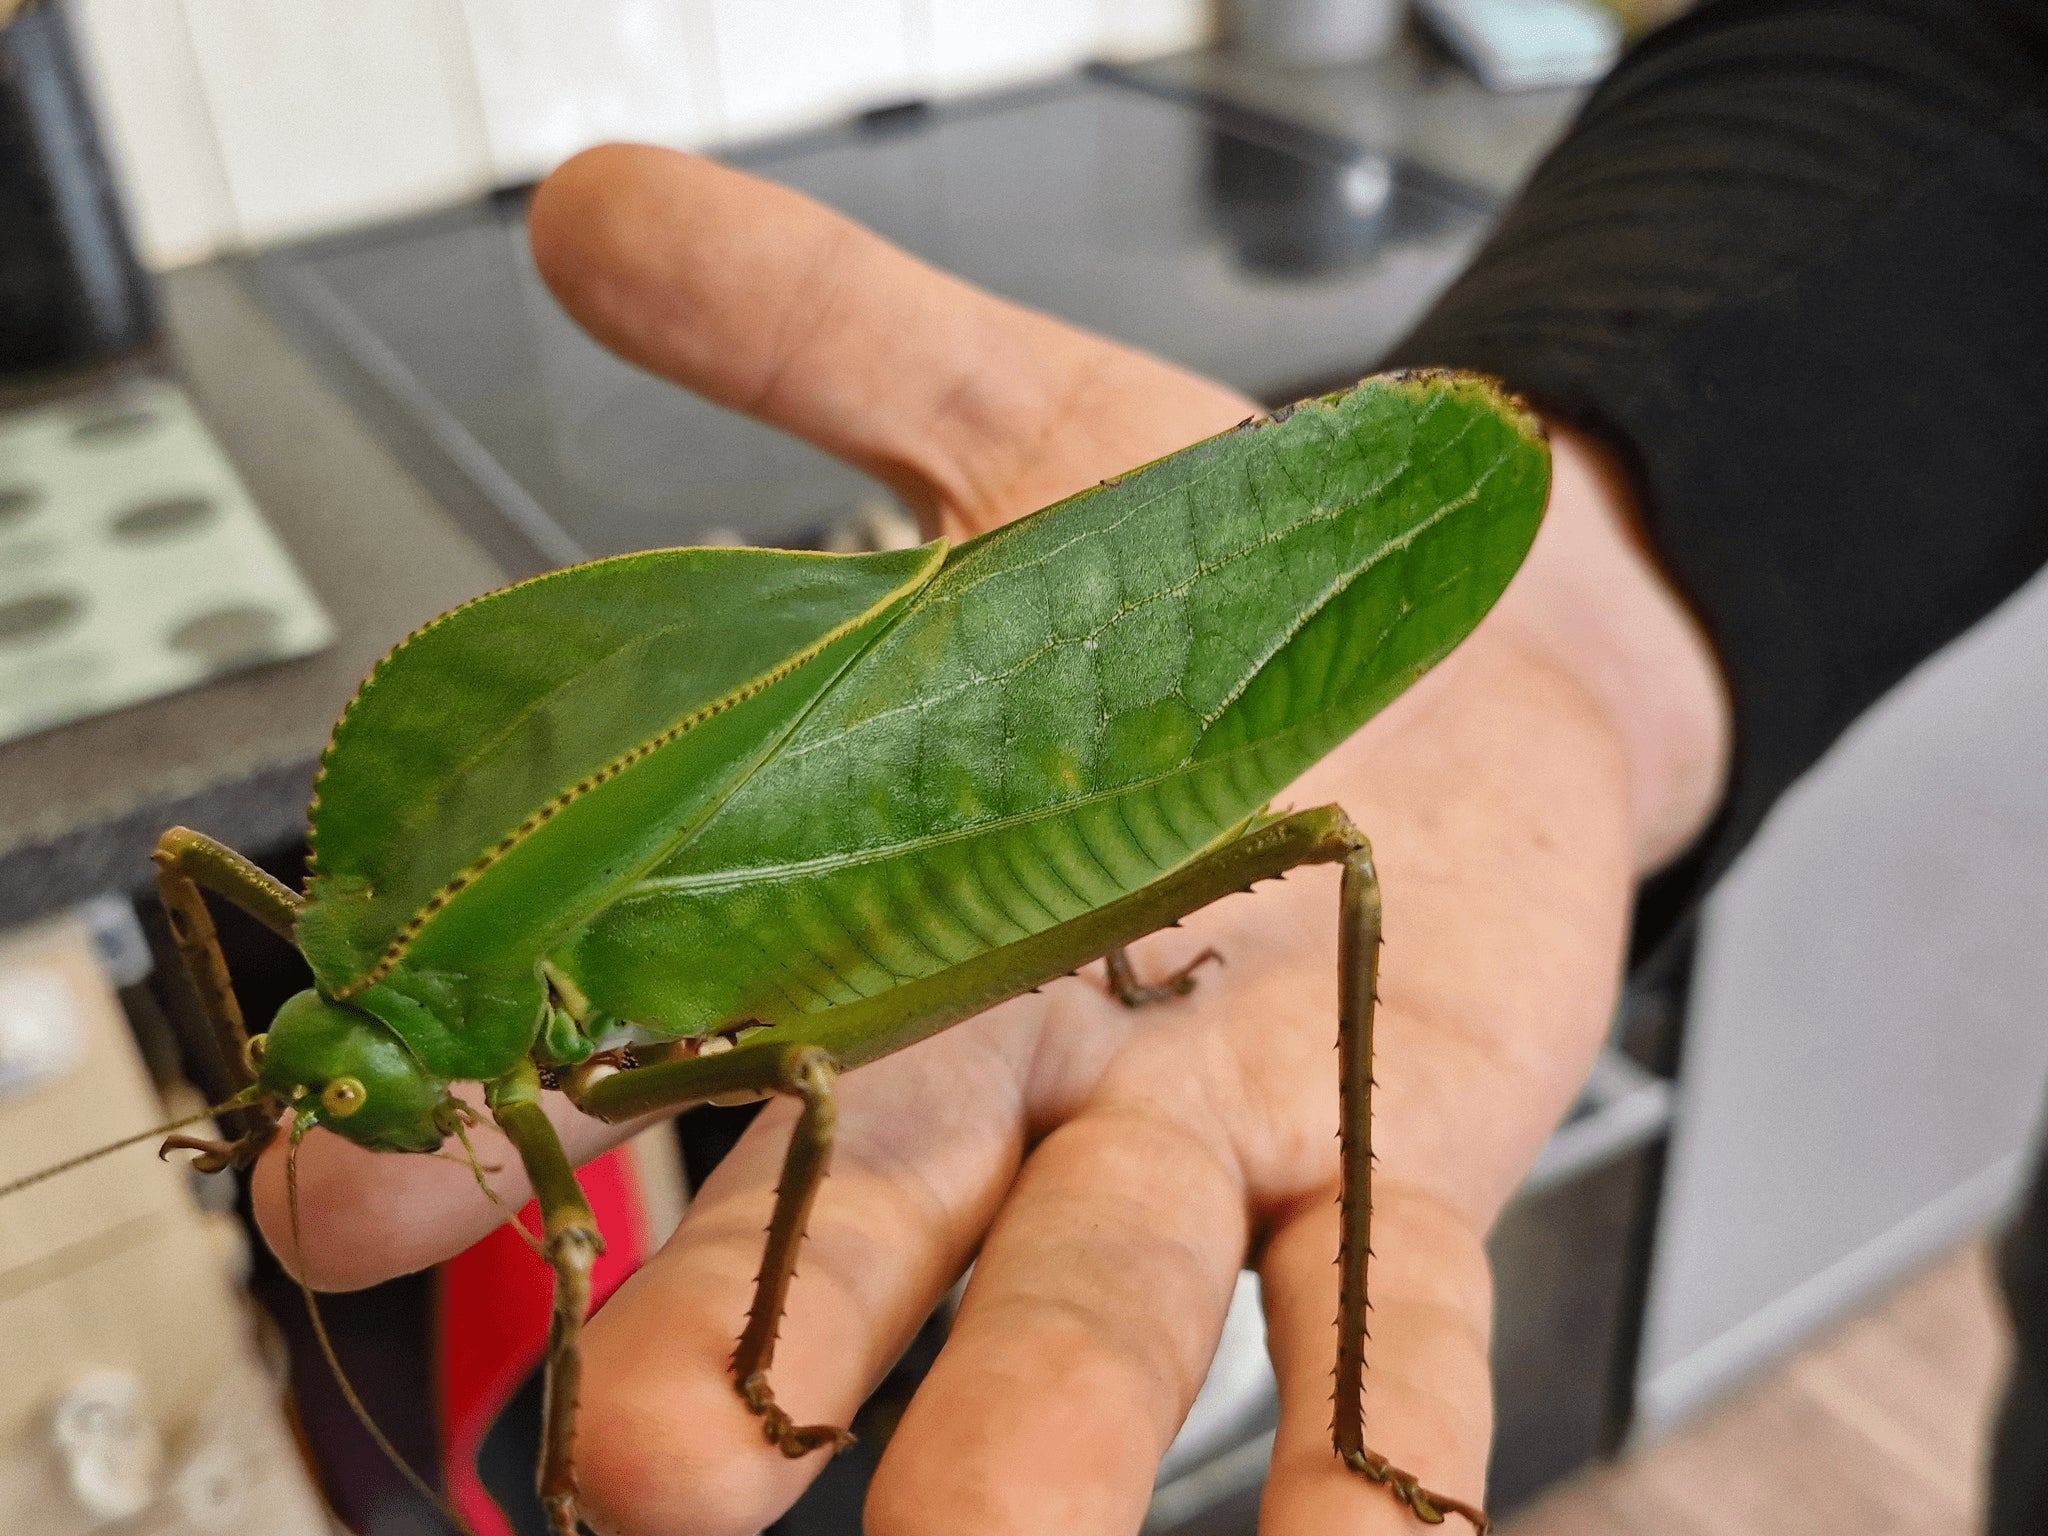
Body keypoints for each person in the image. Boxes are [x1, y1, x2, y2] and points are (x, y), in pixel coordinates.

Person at [248, 0, 2048, 1532]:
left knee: (1291, 854)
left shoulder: (512, 942)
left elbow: (786, 1088)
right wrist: (1640, 555)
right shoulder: (454, 894)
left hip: (949, 759)